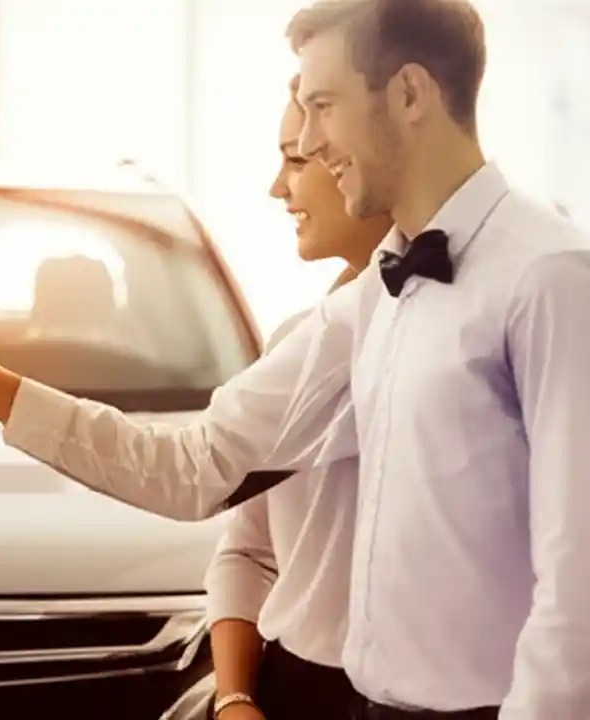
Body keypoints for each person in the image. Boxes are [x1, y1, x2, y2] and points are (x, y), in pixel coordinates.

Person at [0, 1, 590, 718]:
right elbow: (197, 465)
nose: (311, 141)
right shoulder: (373, 295)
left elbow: (584, 599)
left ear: (409, 94)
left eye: (323, 107)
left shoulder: (554, 279)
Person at [200, 74, 392, 720]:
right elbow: (247, 547)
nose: (278, 188)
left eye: (296, 159)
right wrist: (234, 699)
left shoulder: (472, 340)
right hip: (295, 692)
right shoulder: (295, 345)